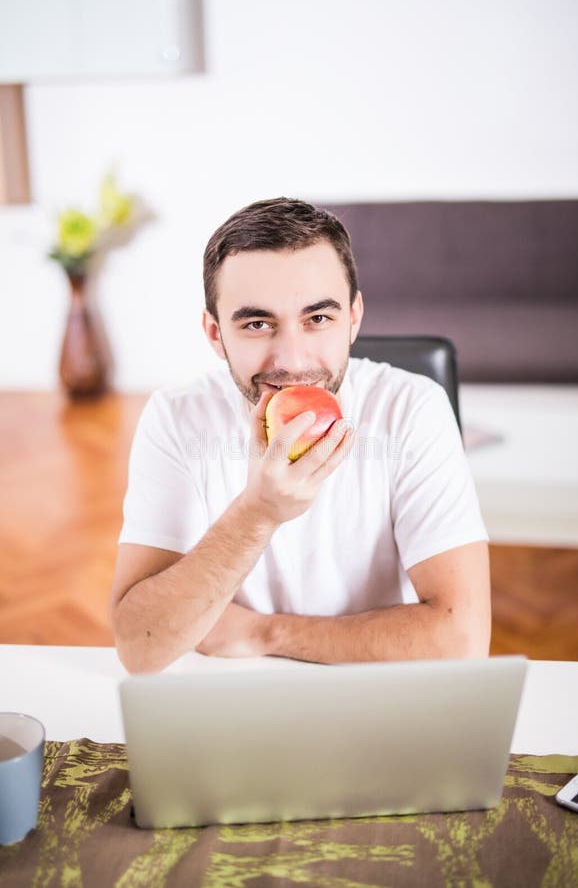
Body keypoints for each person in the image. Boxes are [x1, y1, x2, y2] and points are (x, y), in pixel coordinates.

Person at [111, 197, 490, 673]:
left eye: (318, 319)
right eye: (256, 323)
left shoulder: (413, 409)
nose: (291, 360)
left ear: (353, 318)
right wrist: (256, 515)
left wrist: (264, 633)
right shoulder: (177, 418)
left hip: (378, 692)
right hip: (233, 694)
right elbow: (140, 647)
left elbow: (461, 638)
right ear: (214, 334)